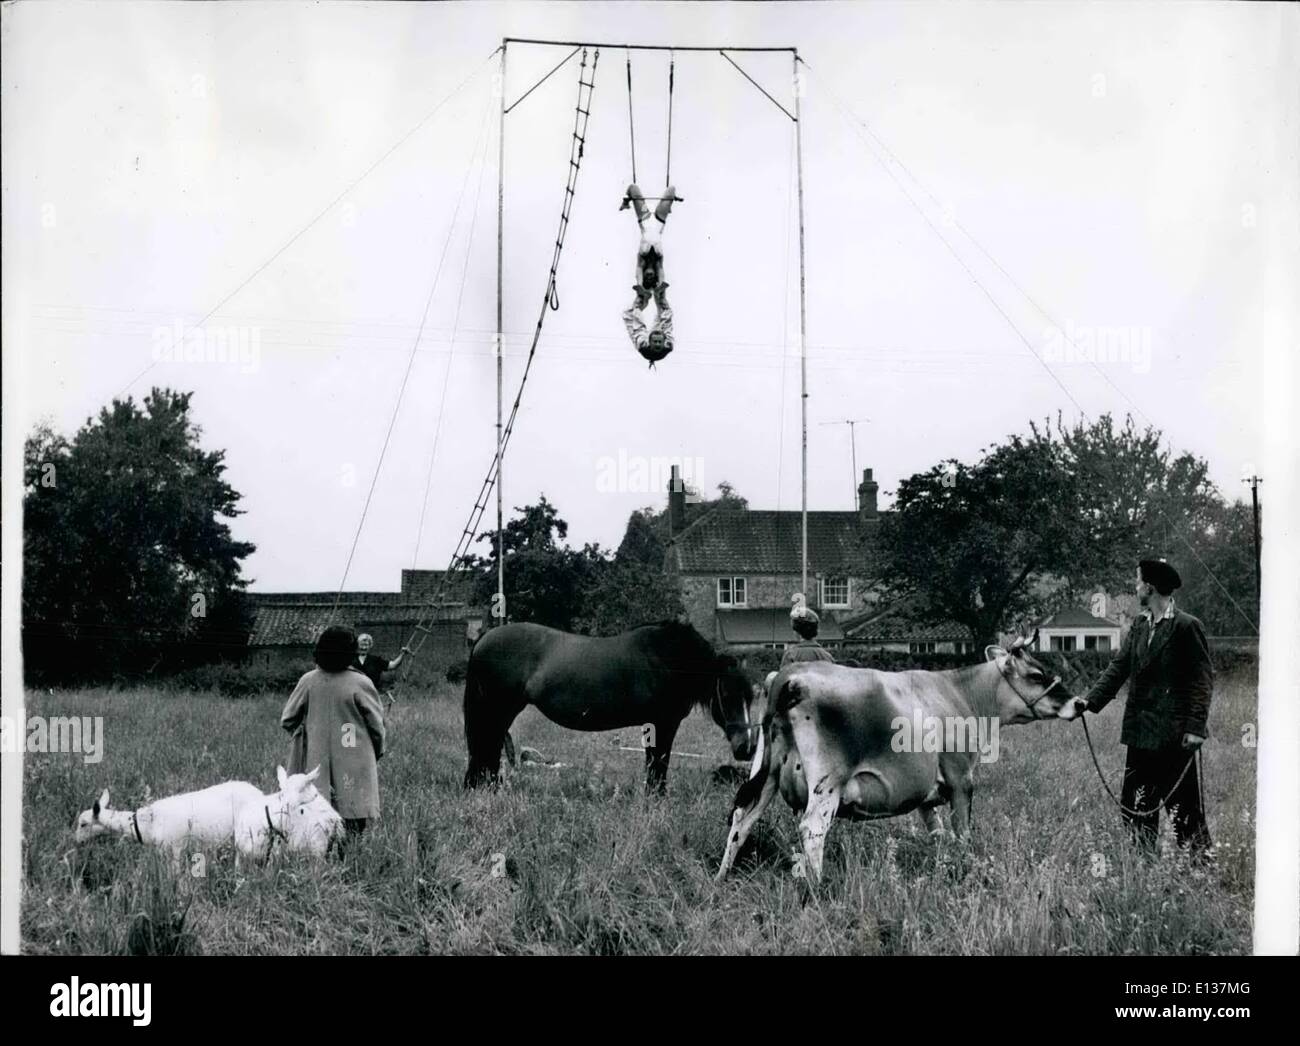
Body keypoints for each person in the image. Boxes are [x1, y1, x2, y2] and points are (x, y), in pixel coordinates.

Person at [1073, 558, 1214, 854]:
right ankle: (1144, 866)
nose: (1135, 587)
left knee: (1184, 810)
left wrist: (1195, 728)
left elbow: (1202, 680)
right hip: (1139, 733)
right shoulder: (1139, 624)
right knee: (1136, 806)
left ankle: (1202, 870)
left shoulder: (1187, 627)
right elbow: (1118, 667)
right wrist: (1089, 701)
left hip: (1174, 737)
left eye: (1137, 582)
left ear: (1149, 588)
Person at [281, 625, 386, 841]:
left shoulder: (308, 680)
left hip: (315, 759)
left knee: (316, 813)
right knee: (354, 814)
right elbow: (376, 725)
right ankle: (350, 856)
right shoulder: (361, 682)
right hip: (354, 757)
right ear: (351, 652)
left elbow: (288, 718)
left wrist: (306, 733)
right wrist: (377, 750)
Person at [622, 182, 677, 366]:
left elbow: (640, 279)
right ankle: (628, 200)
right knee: (671, 190)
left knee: (633, 187)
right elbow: (661, 275)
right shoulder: (658, 263)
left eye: (655, 342)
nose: (651, 275)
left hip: (645, 222)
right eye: (658, 342)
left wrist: (642, 294)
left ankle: (626, 201)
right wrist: (660, 292)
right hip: (659, 223)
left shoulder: (643, 262)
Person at [781, 595, 836, 668]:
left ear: (796, 632)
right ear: (816, 631)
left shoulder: (791, 655)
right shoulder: (827, 657)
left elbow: (784, 678)